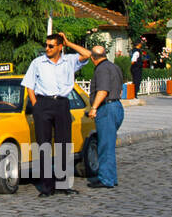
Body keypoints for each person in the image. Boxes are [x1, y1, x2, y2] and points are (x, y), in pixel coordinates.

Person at [21, 32, 86, 196]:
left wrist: (69, 42)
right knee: (43, 145)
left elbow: (88, 54)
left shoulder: (69, 61)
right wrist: (36, 105)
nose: (47, 48)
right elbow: (29, 85)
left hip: (62, 104)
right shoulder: (38, 63)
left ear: (59, 47)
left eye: (51, 46)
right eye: (46, 45)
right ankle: (46, 187)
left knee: (63, 144)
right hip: (43, 103)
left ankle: (63, 185)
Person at [82, 44, 125, 190]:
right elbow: (120, 89)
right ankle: (111, 177)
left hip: (106, 108)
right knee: (109, 144)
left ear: (93, 58)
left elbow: (103, 90)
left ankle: (106, 179)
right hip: (117, 107)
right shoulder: (114, 67)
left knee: (105, 145)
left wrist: (94, 108)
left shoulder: (101, 69)